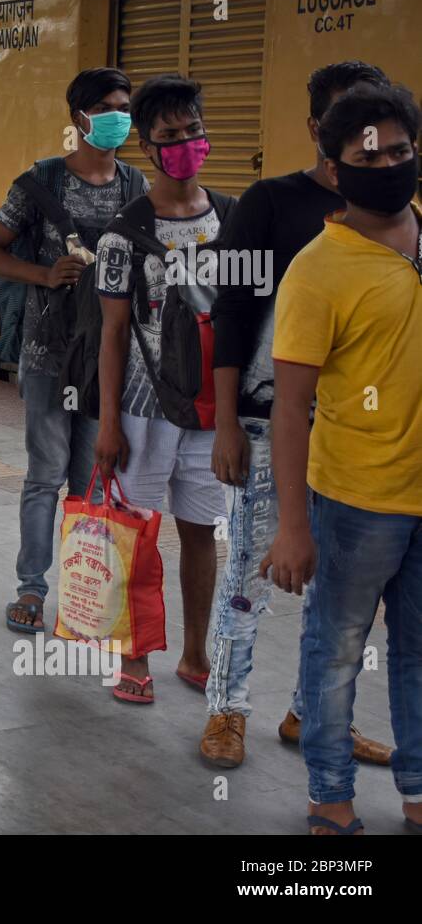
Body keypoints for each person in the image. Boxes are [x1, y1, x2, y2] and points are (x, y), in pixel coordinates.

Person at [200, 61, 394, 770]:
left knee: (344, 590)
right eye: (346, 124)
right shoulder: (269, 203)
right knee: (251, 571)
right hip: (261, 420)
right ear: (317, 130)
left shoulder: (394, 213)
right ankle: (227, 710)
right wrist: (224, 419)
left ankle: (315, 717)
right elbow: (232, 314)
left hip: (356, 434)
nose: (363, 142)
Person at [261, 82, 422, 836]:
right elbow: (289, 407)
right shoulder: (318, 270)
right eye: (369, 154)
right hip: (358, 499)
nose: (388, 163)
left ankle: (417, 793)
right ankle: (331, 797)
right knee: (336, 652)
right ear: (335, 165)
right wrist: (293, 527)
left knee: (420, 651)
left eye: (400, 150)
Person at [0, 67, 148, 634]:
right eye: (107, 107)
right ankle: (31, 588)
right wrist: (45, 274)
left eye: (125, 105)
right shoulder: (40, 182)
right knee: (45, 474)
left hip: (110, 356)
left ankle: (83, 593)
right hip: (50, 353)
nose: (119, 116)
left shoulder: (135, 188)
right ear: (79, 118)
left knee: (92, 479)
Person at [93, 74, 234, 703]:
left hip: (210, 410)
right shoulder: (124, 232)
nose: (186, 143)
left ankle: (196, 652)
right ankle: (136, 655)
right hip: (144, 411)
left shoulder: (232, 218)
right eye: (171, 136)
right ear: (147, 148)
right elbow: (114, 333)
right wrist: (106, 422)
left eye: (193, 131)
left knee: (202, 530)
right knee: (137, 532)